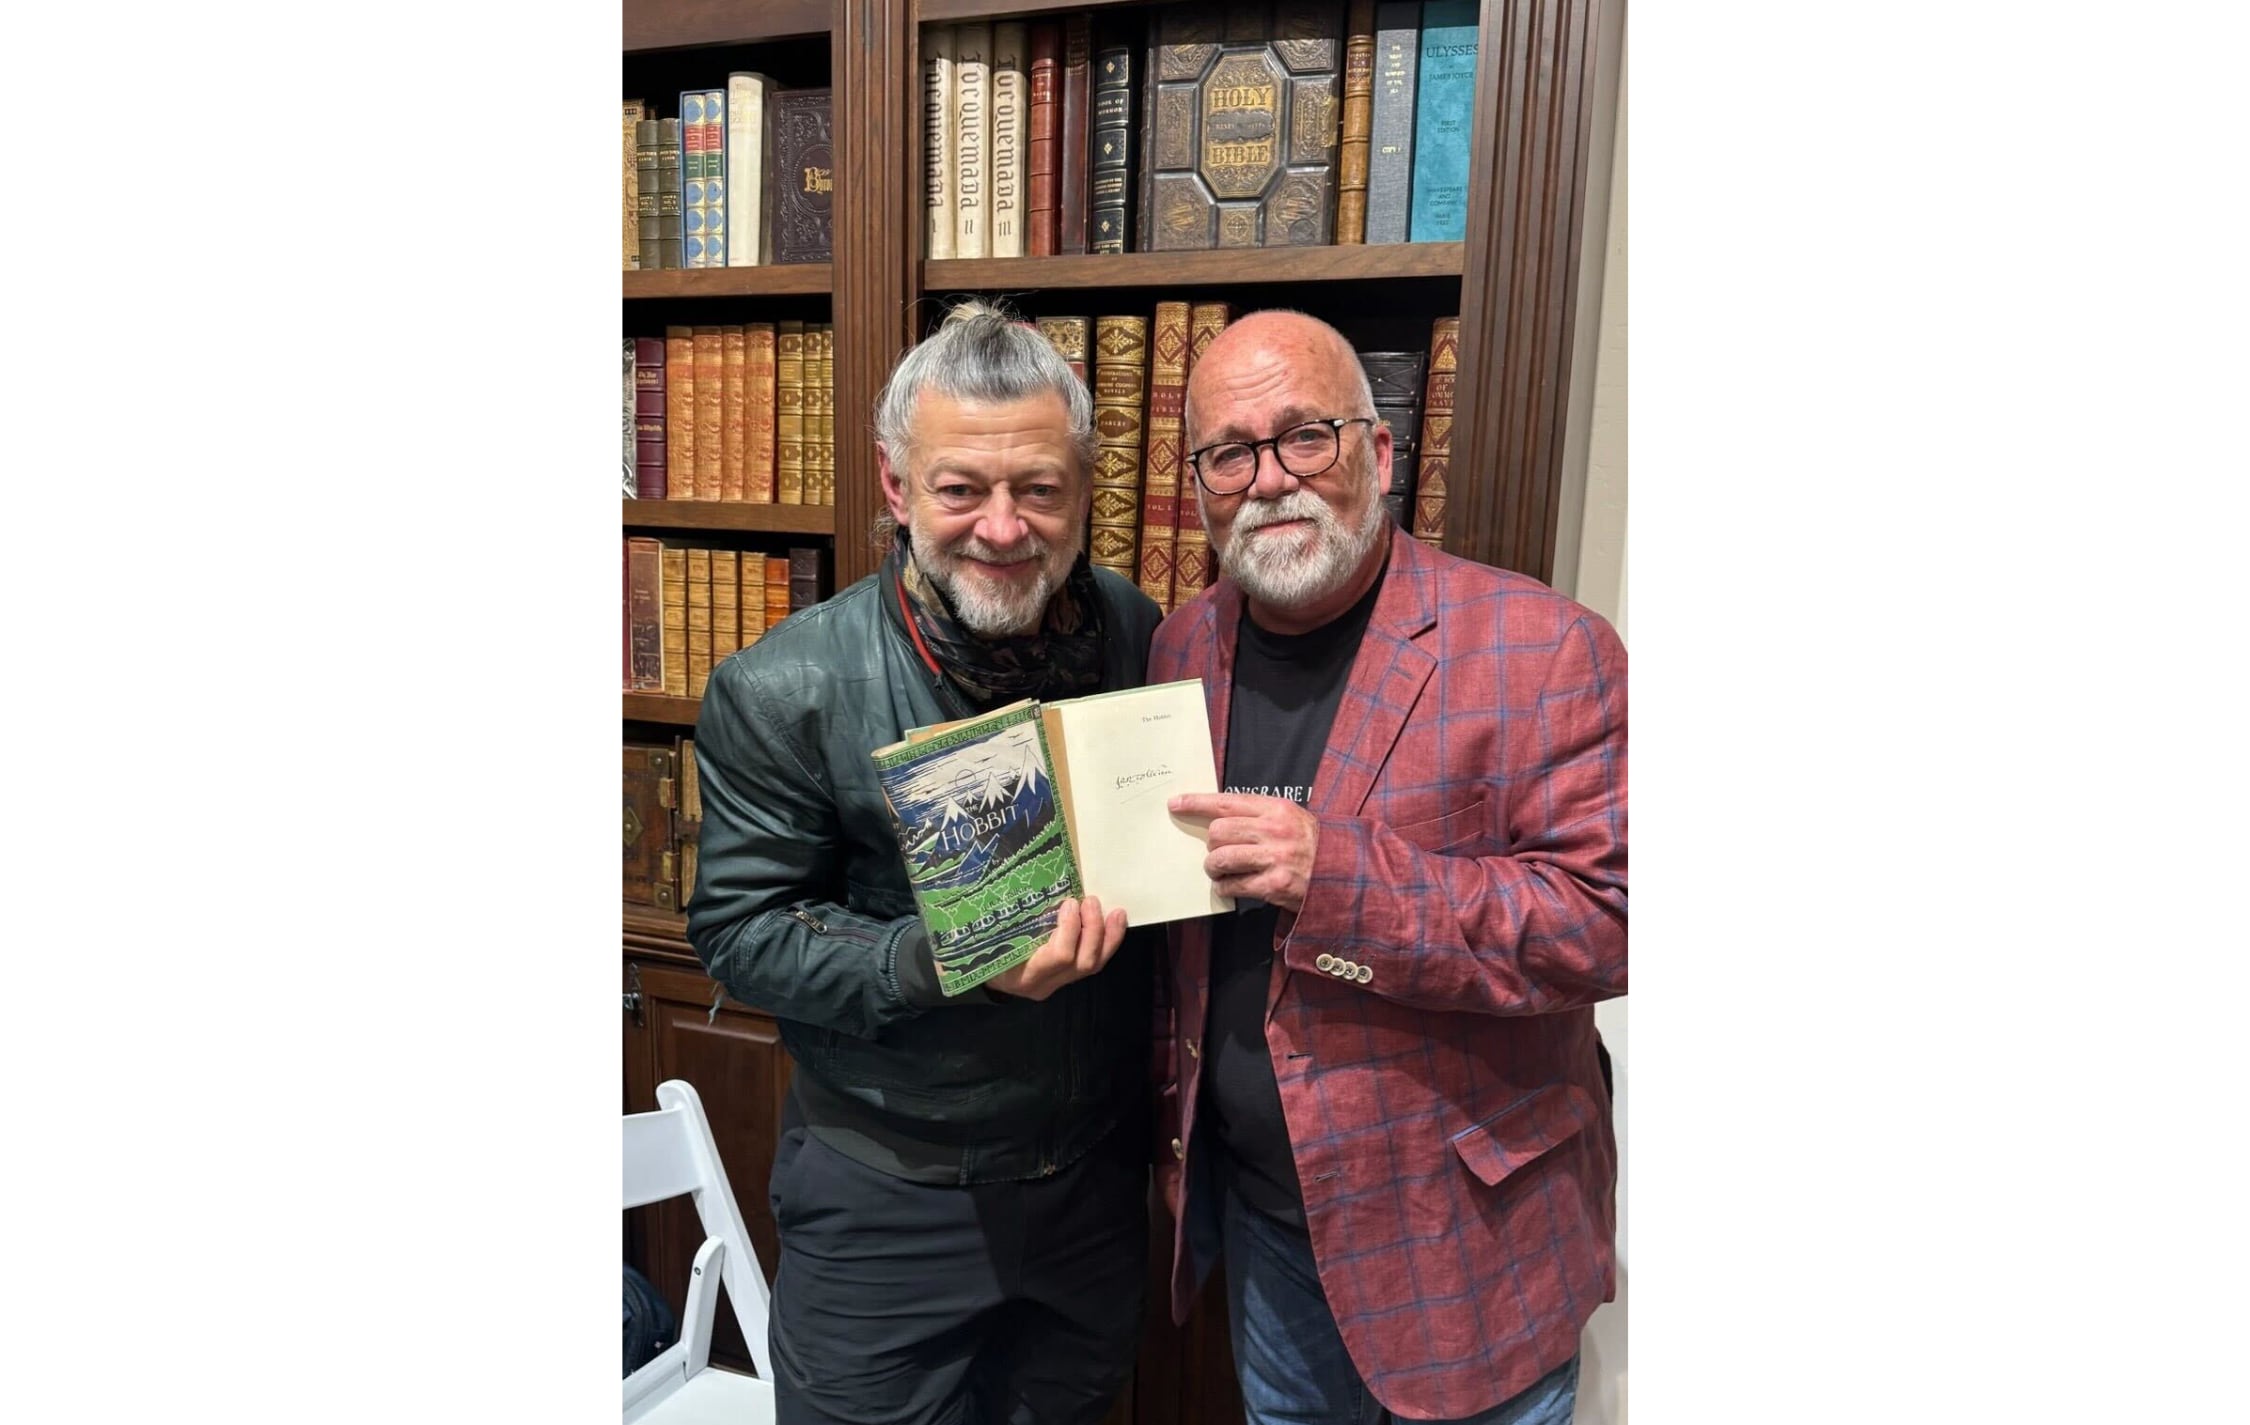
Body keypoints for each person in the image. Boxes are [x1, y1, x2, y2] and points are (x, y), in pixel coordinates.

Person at [687, 301, 1162, 1425]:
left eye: (1038, 489)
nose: (1003, 527)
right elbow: (740, 937)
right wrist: (953, 957)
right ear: (898, 489)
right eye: (962, 489)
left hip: (1093, 1187)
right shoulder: (784, 687)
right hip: (884, 1200)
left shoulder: (1142, 634)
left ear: (1086, 488)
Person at [1153, 310, 1627, 1425]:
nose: (1268, 479)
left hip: (1465, 1246)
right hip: (1269, 1237)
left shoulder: (1547, 647)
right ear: (1202, 485)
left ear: (1379, 450)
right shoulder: (1181, 648)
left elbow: (1607, 924)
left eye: (1303, 436)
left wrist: (1341, 881)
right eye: (1229, 452)